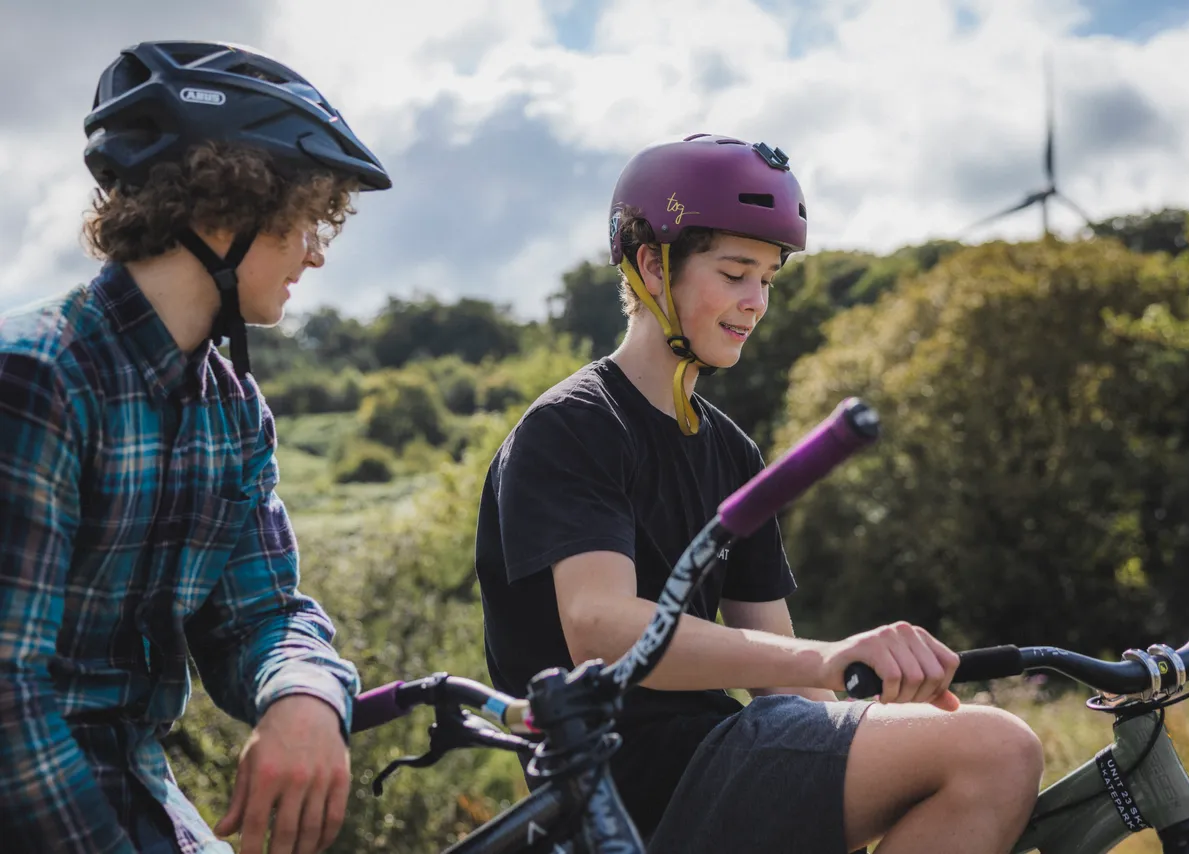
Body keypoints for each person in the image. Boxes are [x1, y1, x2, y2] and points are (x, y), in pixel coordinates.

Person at [474, 133, 1044, 853]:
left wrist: (880, 721)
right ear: (652, 264)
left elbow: (784, 678)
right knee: (996, 751)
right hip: (625, 785)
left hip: (723, 750)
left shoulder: (731, 451)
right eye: (736, 272)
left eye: (769, 279)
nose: (756, 302)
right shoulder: (573, 426)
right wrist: (827, 657)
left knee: (968, 749)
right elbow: (603, 629)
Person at [0, 41, 391, 854]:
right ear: (229, 207)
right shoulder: (40, 379)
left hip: (134, 785)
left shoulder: (233, 410)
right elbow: (7, 694)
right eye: (308, 219)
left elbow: (263, 611)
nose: (318, 253)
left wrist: (305, 694)